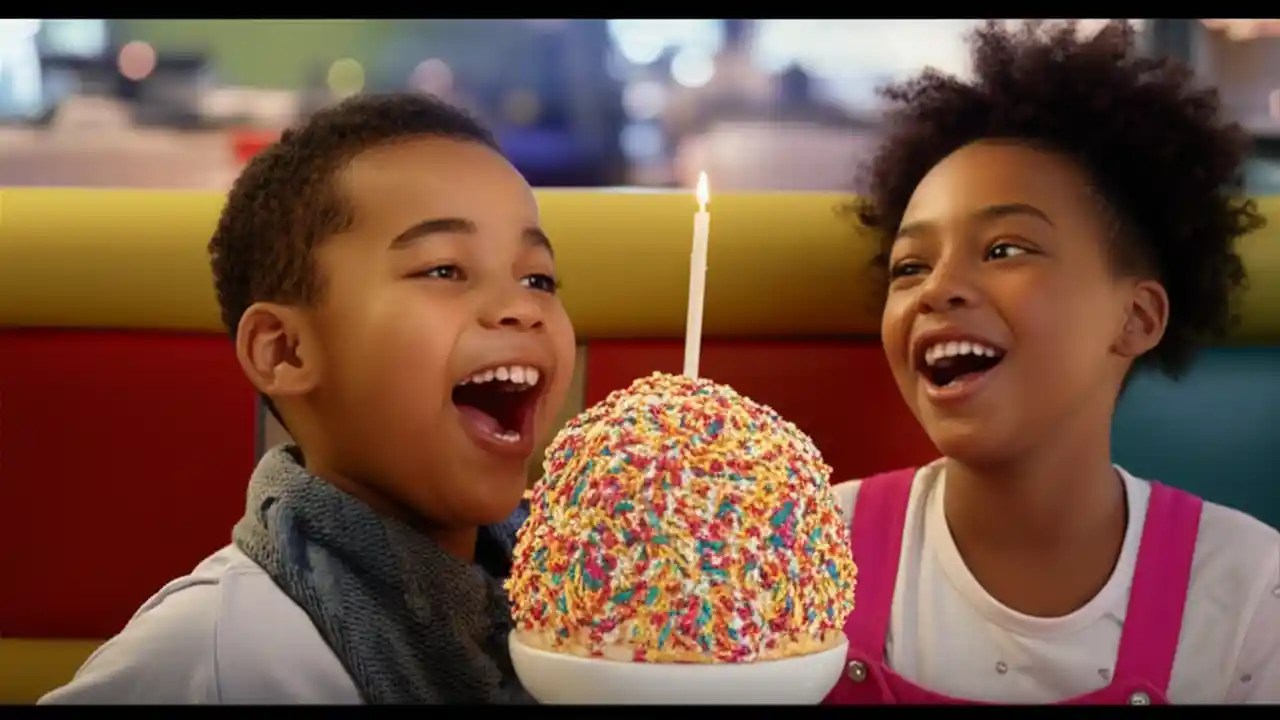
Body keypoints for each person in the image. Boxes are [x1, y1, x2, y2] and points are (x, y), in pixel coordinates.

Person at [40, 92, 576, 704]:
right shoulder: (217, 648)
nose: (521, 309)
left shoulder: (567, 610)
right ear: (284, 351)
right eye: (444, 270)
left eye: (538, 278)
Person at [826, 20, 1279, 705]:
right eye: (910, 265)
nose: (937, 289)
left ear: (1137, 318)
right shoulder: (811, 548)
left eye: (1006, 249)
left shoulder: (1251, 591)